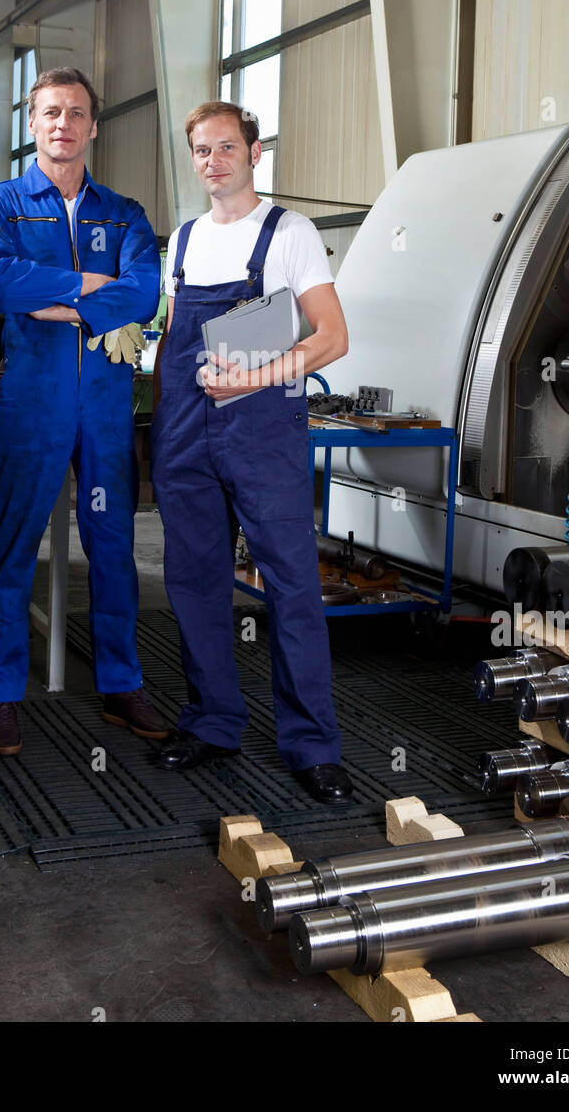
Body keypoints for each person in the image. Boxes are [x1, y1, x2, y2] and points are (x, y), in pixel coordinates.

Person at [151, 101, 353, 803]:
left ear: (255, 151)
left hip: (263, 431)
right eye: (202, 150)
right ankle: (211, 723)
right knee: (194, 581)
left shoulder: (289, 232)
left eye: (227, 147)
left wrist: (255, 375)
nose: (214, 160)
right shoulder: (180, 242)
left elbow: (331, 336)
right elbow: (175, 342)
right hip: (185, 432)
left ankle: (311, 745)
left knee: (292, 584)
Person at [0, 66, 166, 756]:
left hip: (107, 405)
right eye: (51, 112)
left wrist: (57, 301)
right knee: (14, 544)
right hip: (34, 401)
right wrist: (90, 287)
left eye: (76, 113)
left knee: (113, 548)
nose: (63, 124)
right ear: (33, 123)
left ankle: (121, 683)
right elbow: (2, 283)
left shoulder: (126, 214)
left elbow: (144, 297)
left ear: (92, 126)